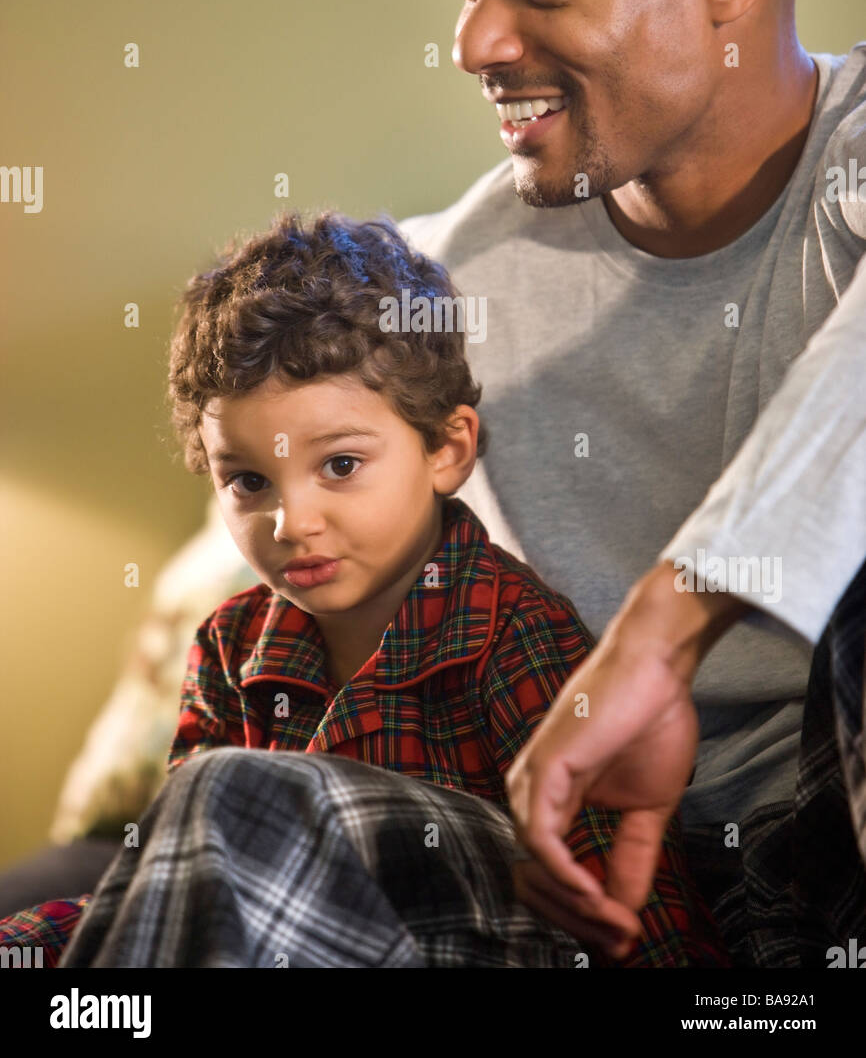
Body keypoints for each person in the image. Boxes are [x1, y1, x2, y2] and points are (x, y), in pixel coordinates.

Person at [23, 0, 866, 969]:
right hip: (567, 882)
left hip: (827, 848)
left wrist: (663, 625)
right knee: (236, 807)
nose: (475, 43)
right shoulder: (436, 291)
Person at [0, 210, 725, 967]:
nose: (291, 522)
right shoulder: (227, 646)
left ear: (446, 450)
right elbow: (182, 885)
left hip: (481, 944)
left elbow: (637, 910)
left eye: (341, 465)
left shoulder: (517, 631)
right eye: (248, 481)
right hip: (308, 945)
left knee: (236, 792)